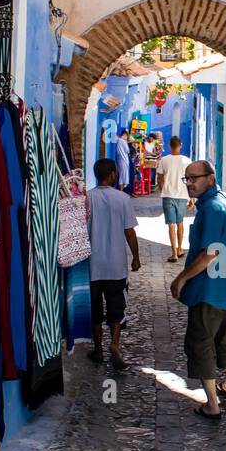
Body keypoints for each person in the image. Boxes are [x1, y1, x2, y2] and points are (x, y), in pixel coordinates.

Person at [170, 160, 226, 419]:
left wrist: (182, 278)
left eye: (194, 178)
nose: (189, 184)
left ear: (210, 177)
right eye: (186, 179)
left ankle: (212, 404)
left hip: (207, 289)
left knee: (202, 343)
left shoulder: (211, 209)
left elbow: (211, 253)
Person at [87, 157, 140, 372]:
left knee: (95, 310)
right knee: (116, 307)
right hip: (116, 265)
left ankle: (98, 350)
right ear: (113, 175)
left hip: (92, 265)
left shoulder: (86, 198)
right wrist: (136, 257)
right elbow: (129, 232)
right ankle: (115, 344)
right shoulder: (123, 199)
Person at [156, 136, 192, 262]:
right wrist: (191, 198)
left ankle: (174, 253)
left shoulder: (164, 160)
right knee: (180, 222)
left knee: (171, 224)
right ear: (180, 145)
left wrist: (162, 189)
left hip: (168, 196)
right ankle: (180, 248)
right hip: (182, 196)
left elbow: (159, 178)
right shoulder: (187, 161)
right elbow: (190, 180)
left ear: (170, 146)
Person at [115, 129, 133, 195]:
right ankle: (121, 192)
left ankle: (121, 191)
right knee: (123, 176)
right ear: (124, 135)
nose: (127, 138)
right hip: (124, 160)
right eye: (127, 136)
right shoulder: (123, 141)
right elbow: (127, 151)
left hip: (120, 160)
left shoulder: (118, 140)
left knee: (121, 175)